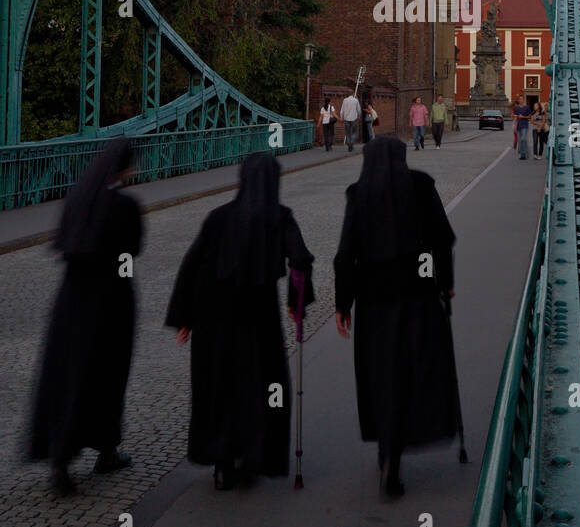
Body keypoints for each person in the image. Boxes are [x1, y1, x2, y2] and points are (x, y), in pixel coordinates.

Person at [165, 153, 314, 490]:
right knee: (262, 386)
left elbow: (191, 265)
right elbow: (301, 258)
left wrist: (184, 316)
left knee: (218, 385)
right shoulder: (280, 216)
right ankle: (252, 456)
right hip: (258, 316)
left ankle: (221, 461)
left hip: (213, 316)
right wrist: (297, 303)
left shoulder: (217, 217)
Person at [334, 137, 460, 498]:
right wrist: (445, 283)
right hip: (418, 298)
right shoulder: (421, 185)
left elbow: (346, 254)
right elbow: (441, 239)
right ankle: (401, 444)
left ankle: (387, 450)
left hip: (374, 304)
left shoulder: (359, 193)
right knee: (413, 371)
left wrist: (343, 304)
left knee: (382, 376)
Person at [26, 139, 142, 496]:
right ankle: (106, 450)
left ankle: (60, 459)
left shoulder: (77, 198)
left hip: (71, 303)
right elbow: (132, 251)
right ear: (124, 168)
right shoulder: (124, 205)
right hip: (111, 303)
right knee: (107, 376)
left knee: (68, 377)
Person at [514, 95, 532, 160]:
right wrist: (514, 126)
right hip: (518, 126)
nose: (521, 100)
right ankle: (522, 155)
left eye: (522, 99)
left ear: (523, 100)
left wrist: (523, 117)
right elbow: (515, 118)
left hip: (525, 125)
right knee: (520, 141)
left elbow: (530, 117)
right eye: (519, 99)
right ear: (518, 100)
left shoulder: (527, 107)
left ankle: (524, 153)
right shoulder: (516, 108)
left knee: (523, 139)